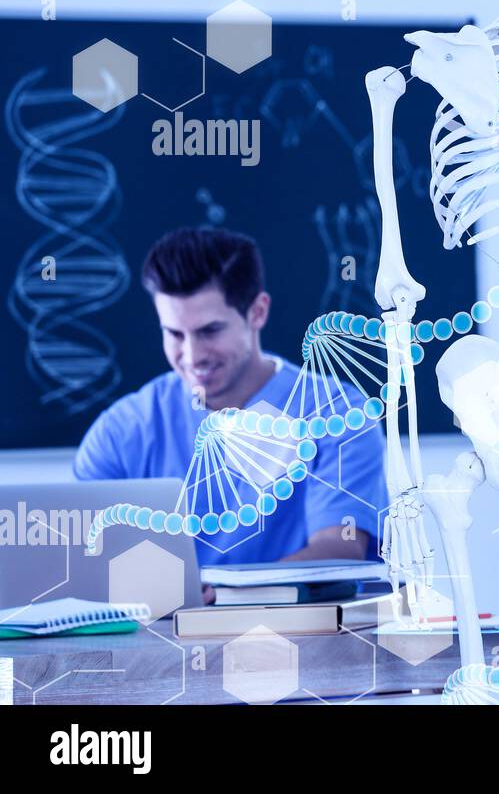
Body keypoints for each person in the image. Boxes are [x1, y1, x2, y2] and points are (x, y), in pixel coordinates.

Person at [74, 227, 388, 573]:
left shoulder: (340, 416)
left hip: (303, 626)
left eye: (210, 331)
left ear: (257, 312)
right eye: (175, 334)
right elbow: (85, 559)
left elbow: (338, 551)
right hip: (157, 627)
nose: (192, 356)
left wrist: (224, 596)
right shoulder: (123, 431)